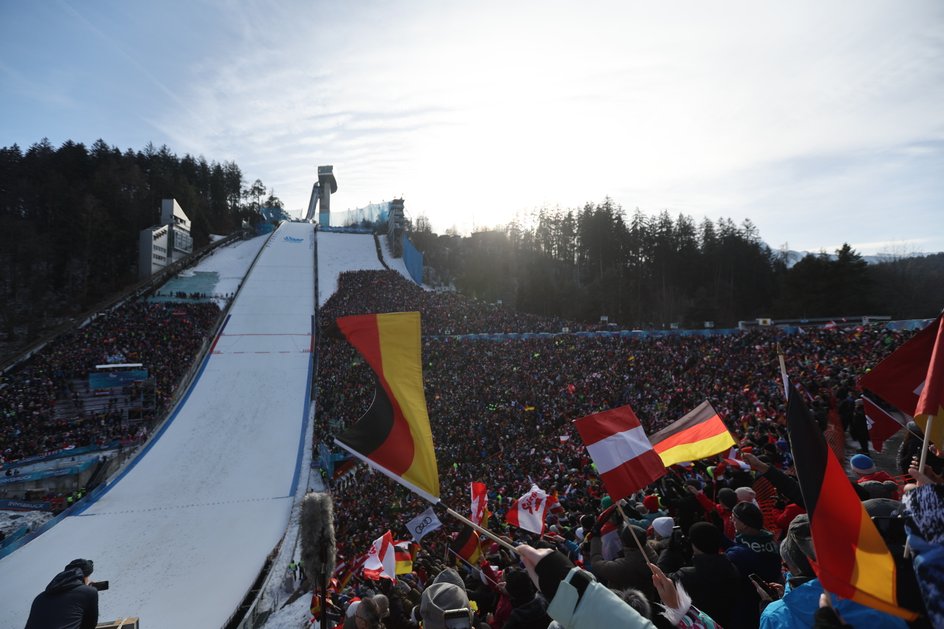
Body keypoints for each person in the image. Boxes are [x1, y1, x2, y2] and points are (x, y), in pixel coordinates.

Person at [25, 558, 99, 629]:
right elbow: (89, 625)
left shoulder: (40, 597)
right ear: (83, 577)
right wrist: (87, 589)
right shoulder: (90, 592)